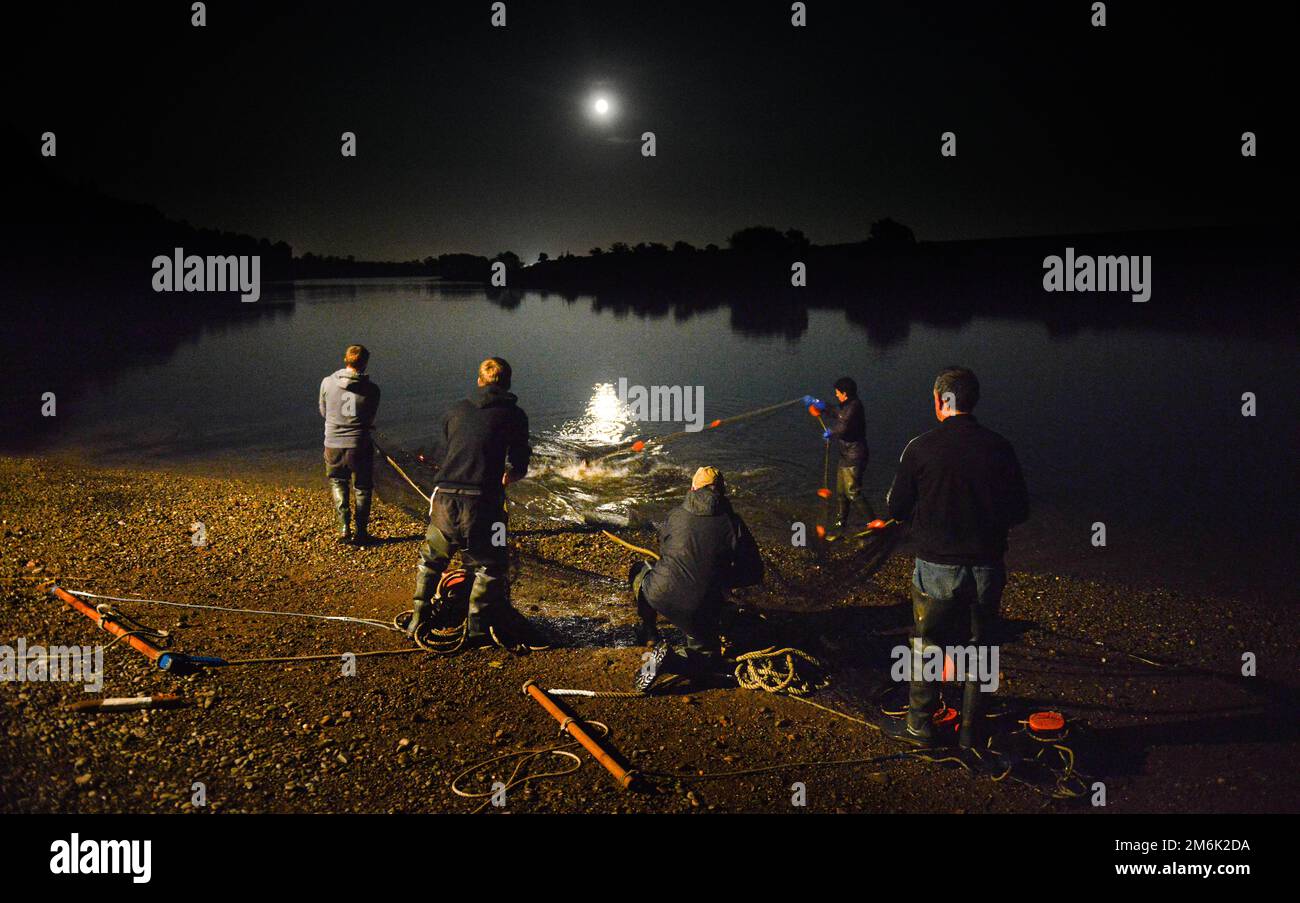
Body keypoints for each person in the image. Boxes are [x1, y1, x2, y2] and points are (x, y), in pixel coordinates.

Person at [882, 366, 1029, 749]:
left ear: (939, 401)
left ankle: (920, 726)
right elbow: (1020, 511)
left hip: (935, 567)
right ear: (972, 401)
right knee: (979, 646)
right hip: (986, 567)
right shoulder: (1000, 447)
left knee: (928, 644)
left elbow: (897, 507)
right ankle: (970, 731)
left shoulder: (920, 447)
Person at [407, 357, 540, 649]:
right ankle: (478, 631)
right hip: (482, 504)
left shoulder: (455, 410)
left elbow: (449, 448)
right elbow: (518, 465)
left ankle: (418, 617)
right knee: (490, 566)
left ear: (479, 380)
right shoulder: (515, 415)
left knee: (431, 559)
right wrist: (510, 475)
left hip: (442, 498)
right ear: (507, 383)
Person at [630, 466, 764, 693]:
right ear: (722, 491)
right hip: (699, 606)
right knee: (708, 660)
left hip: (659, 593)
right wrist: (722, 580)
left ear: (693, 488)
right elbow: (754, 572)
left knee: (638, 571)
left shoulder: (675, 514)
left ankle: (650, 631)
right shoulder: (734, 523)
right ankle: (671, 661)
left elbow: (665, 551)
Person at [319, 344, 381, 545]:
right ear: (364, 363)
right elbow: (370, 418)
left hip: (333, 443)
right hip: (359, 444)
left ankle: (344, 528)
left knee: (338, 482)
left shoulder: (327, 383)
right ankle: (361, 531)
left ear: (346, 360)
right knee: (362, 487)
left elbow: (324, 411)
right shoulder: (372, 390)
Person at [823, 376, 872, 529]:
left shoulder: (854, 407)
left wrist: (830, 432)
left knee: (852, 491)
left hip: (855, 455)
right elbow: (838, 412)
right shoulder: (848, 405)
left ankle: (873, 522)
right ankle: (841, 522)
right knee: (841, 492)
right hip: (845, 455)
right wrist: (821, 406)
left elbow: (843, 426)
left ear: (844, 393)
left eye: (837, 393)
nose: (836, 395)